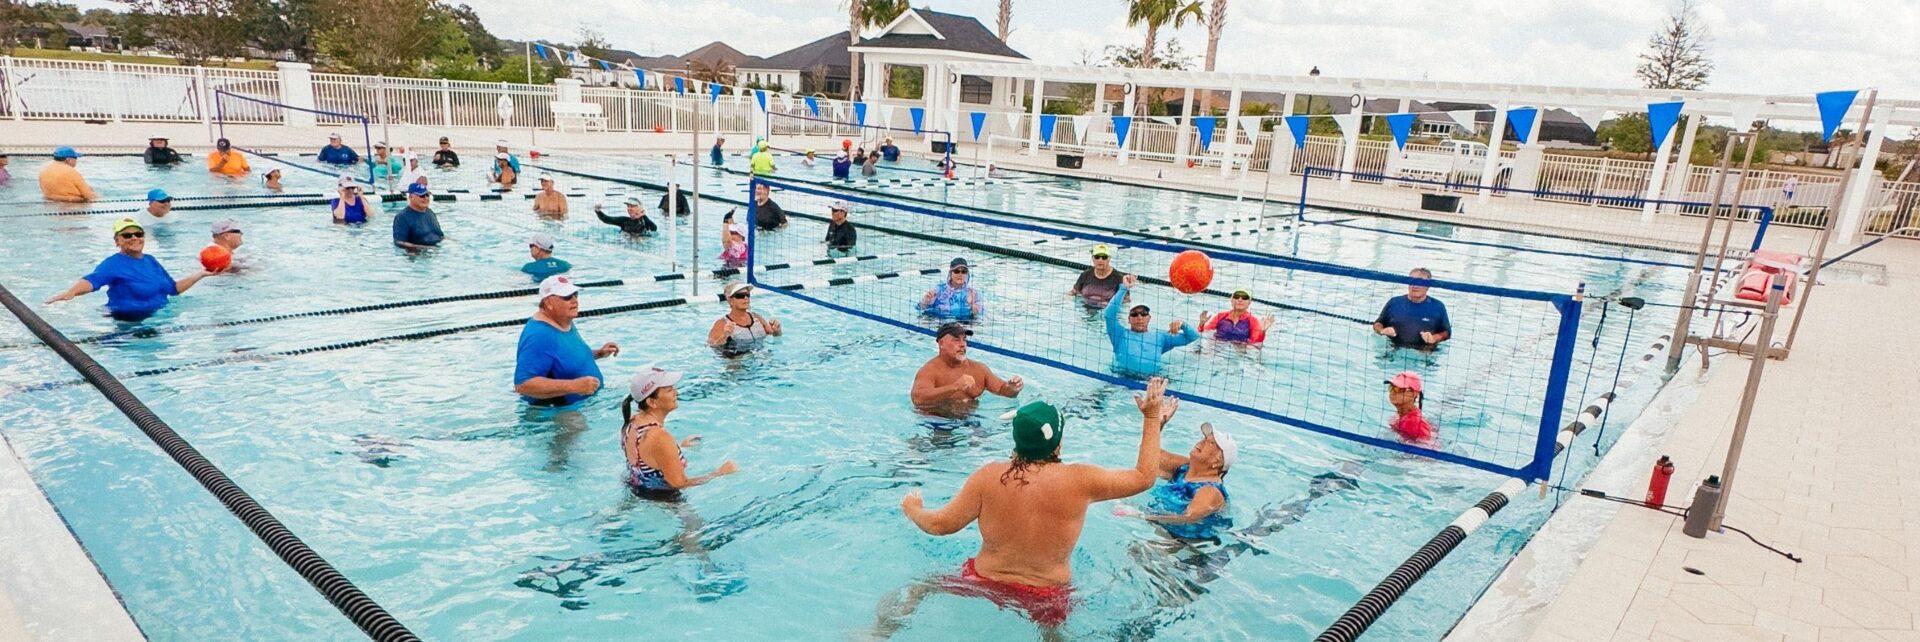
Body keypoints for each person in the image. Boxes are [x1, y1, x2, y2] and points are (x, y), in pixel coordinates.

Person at [879, 378, 1168, 636]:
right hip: (1047, 593)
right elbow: (1144, 477)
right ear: (1057, 443)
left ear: (1017, 439)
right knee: (1052, 633)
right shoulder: (1080, 480)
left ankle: (877, 633)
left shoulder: (988, 476)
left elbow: (940, 526)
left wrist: (913, 508)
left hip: (983, 579)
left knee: (923, 586)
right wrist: (1152, 417)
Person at [46, 218, 219, 321]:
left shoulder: (151, 261)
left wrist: (200, 274)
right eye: (127, 235)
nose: (134, 238)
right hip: (130, 322)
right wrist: (72, 292)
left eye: (138, 234)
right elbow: (93, 280)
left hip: (157, 317)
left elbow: (173, 290)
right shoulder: (114, 263)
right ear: (117, 241)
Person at [620, 366, 739, 499]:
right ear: (651, 402)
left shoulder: (632, 422)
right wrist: (719, 473)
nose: (676, 393)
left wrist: (679, 448)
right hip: (664, 499)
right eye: (669, 390)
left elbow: (647, 458)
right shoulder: (659, 437)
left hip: (634, 488)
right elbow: (679, 484)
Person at [1121, 412, 1235, 541]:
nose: (1201, 442)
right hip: (1161, 528)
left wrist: (1141, 515)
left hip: (1185, 543)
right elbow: (1148, 455)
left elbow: (1188, 519)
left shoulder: (1209, 491)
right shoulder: (1184, 467)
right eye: (1204, 438)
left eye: (1211, 443)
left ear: (1217, 462)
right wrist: (1156, 425)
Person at [513, 275, 619, 407]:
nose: (574, 300)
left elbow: (563, 356)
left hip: (583, 403)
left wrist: (599, 353)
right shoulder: (539, 335)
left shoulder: (563, 321)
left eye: (575, 294)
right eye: (567, 297)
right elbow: (523, 384)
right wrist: (574, 386)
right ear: (548, 303)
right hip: (557, 412)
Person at [909, 322, 1023, 417]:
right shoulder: (930, 370)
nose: (962, 344)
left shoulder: (978, 369)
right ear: (942, 343)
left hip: (972, 419)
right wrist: (955, 386)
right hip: (937, 420)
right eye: (956, 340)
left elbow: (1003, 391)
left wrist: (1012, 388)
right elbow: (918, 398)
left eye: (964, 340)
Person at [1106, 274, 1199, 376]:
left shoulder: (1160, 337)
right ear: (1129, 319)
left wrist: (1183, 325)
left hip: (1150, 381)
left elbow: (1193, 337)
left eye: (1144, 313)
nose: (1139, 317)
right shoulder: (1119, 335)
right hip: (1121, 378)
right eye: (1134, 314)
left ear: (1149, 318)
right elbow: (1108, 315)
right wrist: (1124, 288)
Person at [1372, 267, 1451, 349]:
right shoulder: (1394, 302)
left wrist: (1434, 338)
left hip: (1423, 352)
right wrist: (1382, 331)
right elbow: (1378, 324)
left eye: (1420, 282)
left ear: (1428, 286)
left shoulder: (1438, 306)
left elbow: (1447, 333)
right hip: (1393, 349)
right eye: (1412, 281)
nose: (1415, 285)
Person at [706, 283, 783, 355]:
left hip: (759, 355)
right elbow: (711, 346)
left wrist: (777, 330)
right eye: (740, 296)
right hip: (736, 358)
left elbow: (775, 336)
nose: (746, 298)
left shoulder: (756, 317)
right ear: (730, 300)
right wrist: (725, 336)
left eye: (747, 295)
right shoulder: (722, 323)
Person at [1199, 289, 1275, 345]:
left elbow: (1255, 343)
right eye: (1236, 296)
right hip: (1219, 345)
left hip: (1239, 349)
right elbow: (1203, 332)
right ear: (1231, 300)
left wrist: (1262, 332)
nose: (1240, 299)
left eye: (1244, 297)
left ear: (1249, 303)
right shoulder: (1221, 316)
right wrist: (1201, 324)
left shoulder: (1253, 321)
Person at [391, 183, 444, 250]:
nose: (425, 198)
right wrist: (424, 248)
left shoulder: (430, 213)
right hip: (417, 254)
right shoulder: (402, 217)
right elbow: (399, 242)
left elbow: (440, 236)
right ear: (411, 197)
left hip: (434, 250)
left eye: (427, 195)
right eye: (421, 196)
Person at [1386, 371, 1434, 442]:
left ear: (1414, 394)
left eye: (1400, 389)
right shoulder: (1400, 415)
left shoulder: (1416, 424)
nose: (1393, 392)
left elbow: (1430, 448)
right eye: (1391, 388)